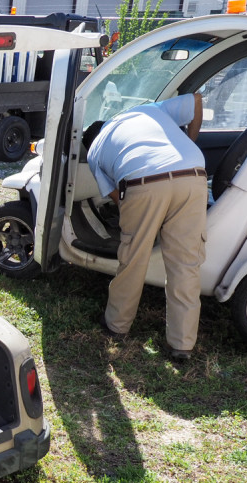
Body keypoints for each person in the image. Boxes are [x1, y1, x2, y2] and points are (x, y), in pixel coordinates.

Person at [81, 93, 207, 361]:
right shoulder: (145, 110)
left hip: (143, 181)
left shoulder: (94, 151)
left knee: (134, 256)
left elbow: (118, 198)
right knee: (186, 263)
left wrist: (147, 222)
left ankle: (117, 326)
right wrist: (188, 144)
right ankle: (182, 345)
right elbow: (196, 100)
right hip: (194, 172)